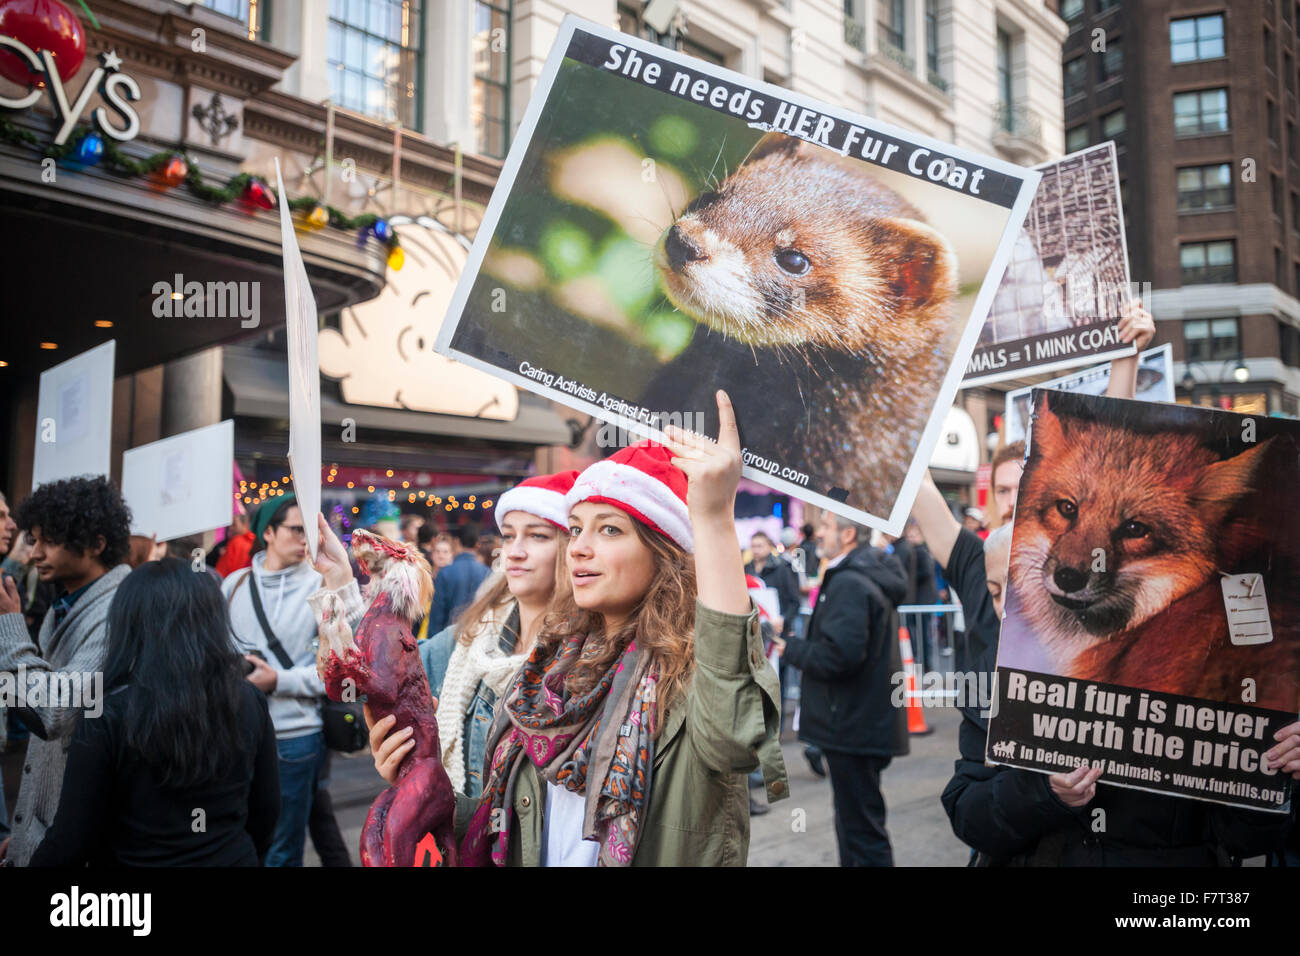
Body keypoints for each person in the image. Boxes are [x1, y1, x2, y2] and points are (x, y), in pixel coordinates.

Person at [442, 394, 786, 866]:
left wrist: (713, 520)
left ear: (663, 554)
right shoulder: (551, 669)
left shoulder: (690, 679)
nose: (579, 548)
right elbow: (517, 822)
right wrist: (424, 785)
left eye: (609, 530)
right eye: (576, 528)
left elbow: (733, 737)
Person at [28, 558, 279, 866]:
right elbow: (266, 811)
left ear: (127, 624)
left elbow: (71, 840)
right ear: (211, 620)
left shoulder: (106, 714)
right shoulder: (248, 698)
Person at [371, 471, 577, 798]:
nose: (515, 551)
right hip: (464, 841)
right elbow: (381, 664)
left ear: (574, 549)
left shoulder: (588, 655)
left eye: (537, 536)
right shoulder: (472, 636)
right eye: (508, 536)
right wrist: (407, 765)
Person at [221, 492, 364, 867]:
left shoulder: (321, 587)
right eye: (296, 530)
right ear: (267, 532)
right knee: (240, 840)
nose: (305, 540)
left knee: (282, 849)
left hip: (296, 736)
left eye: (312, 533)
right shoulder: (233, 585)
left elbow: (343, 667)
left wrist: (278, 681)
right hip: (236, 734)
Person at [0, 475, 132, 867]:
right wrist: (24, 833)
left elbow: (52, 713)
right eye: (33, 538)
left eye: (49, 541)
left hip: (77, 842)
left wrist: (9, 626)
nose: (35, 552)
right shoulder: (64, 605)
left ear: (96, 544)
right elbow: (22, 699)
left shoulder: (116, 611)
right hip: (49, 828)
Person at [778, 510, 908, 866]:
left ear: (849, 534)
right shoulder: (857, 576)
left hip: (853, 724)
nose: (818, 533)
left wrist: (789, 647)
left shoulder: (851, 582)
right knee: (858, 825)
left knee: (861, 832)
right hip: (858, 722)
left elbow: (839, 656)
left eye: (826, 526)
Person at [427, 525, 490, 634]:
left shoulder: (445, 573)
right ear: (477, 544)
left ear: (457, 542)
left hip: (448, 639)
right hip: (477, 637)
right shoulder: (488, 573)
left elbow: (437, 617)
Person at [744, 531, 799, 641]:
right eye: (753, 546)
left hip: (778, 630)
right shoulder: (746, 569)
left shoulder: (782, 567)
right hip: (754, 630)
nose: (756, 550)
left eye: (759, 546)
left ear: (769, 547)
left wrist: (783, 619)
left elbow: (794, 601)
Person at [216, 513, 256, 578]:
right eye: (229, 526)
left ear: (245, 524)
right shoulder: (254, 540)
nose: (230, 528)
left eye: (234, 525)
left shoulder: (236, 541)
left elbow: (222, 571)